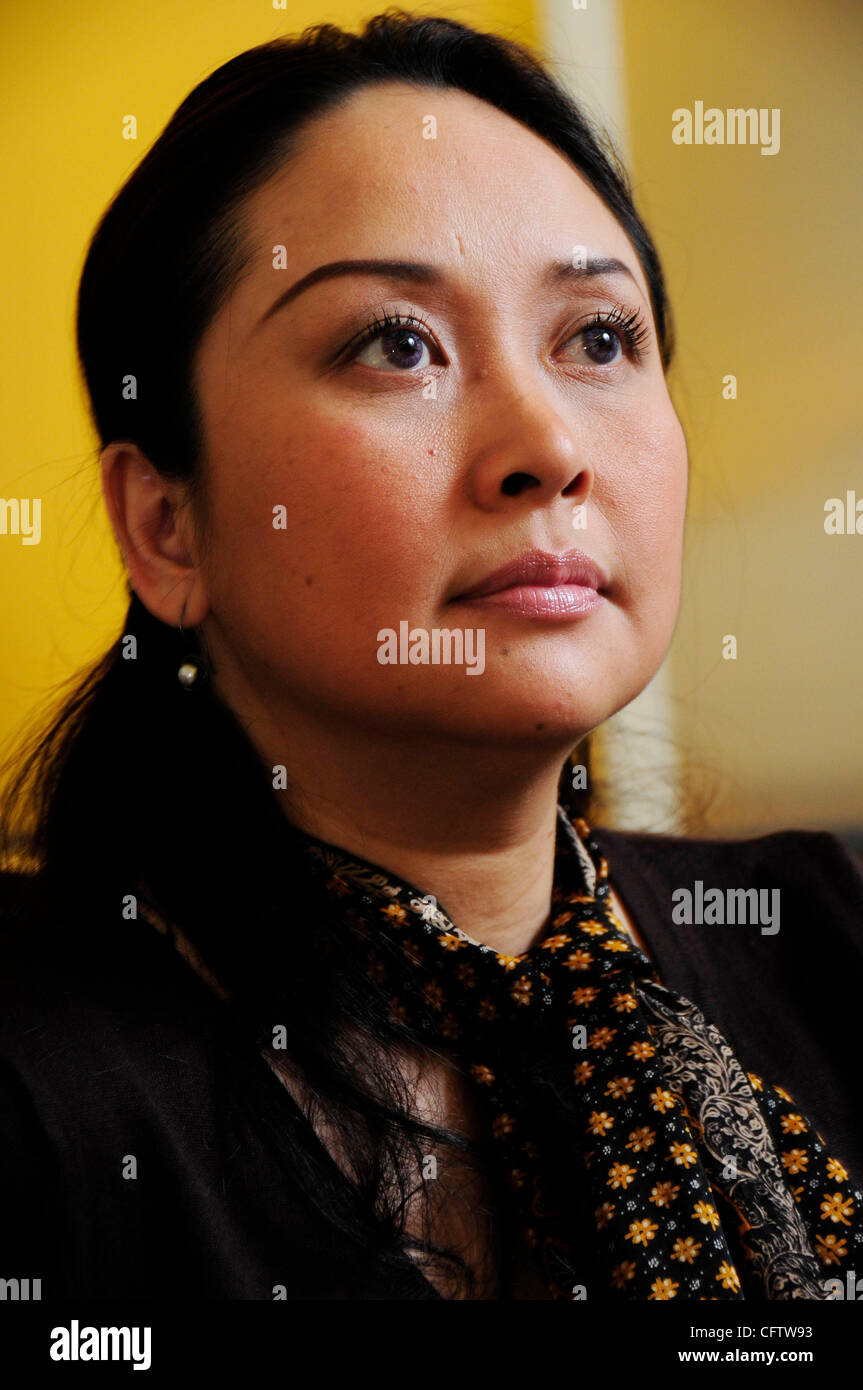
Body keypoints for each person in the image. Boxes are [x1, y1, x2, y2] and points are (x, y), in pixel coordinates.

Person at [1, 10, 861, 1303]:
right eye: (396, 343)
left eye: (599, 338)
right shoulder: (38, 1093)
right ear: (166, 525)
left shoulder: (823, 936)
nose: (547, 444)